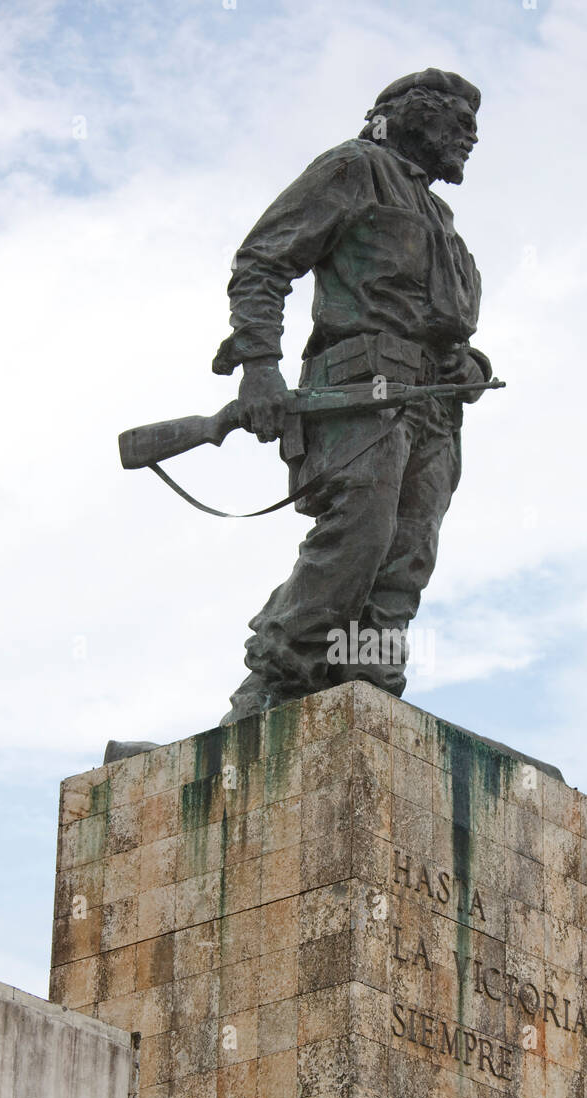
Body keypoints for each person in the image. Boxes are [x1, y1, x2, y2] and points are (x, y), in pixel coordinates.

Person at [212, 68, 492, 723]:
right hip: (357, 393)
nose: (470, 134)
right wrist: (259, 367)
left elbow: (438, 323)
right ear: (408, 114)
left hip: (433, 408)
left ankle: (364, 686)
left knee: (406, 555)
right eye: (455, 117)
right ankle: (276, 681)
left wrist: (468, 362)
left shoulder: (442, 220)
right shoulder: (354, 168)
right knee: (358, 538)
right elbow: (264, 261)